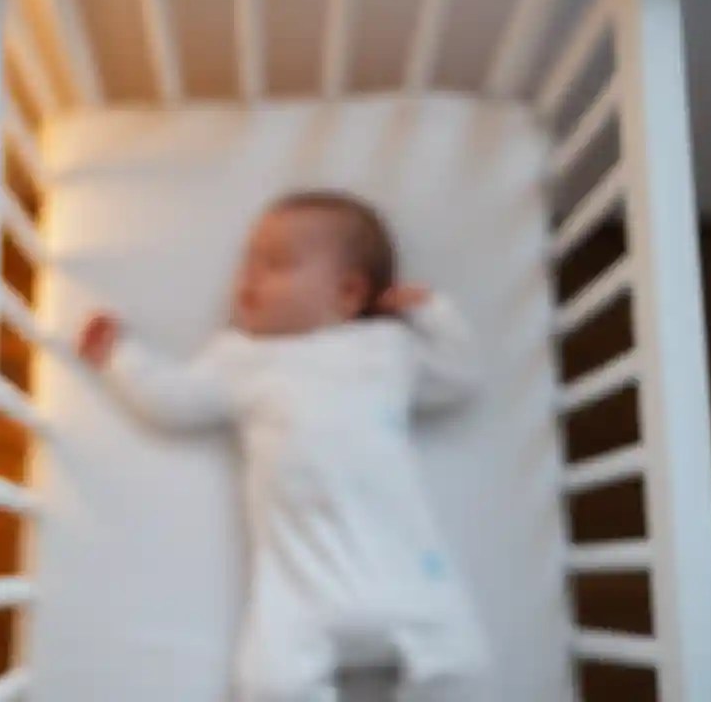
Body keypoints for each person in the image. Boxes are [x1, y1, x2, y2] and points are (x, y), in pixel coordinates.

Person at [77, 190, 488, 701]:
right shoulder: (241, 359)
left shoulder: (386, 348)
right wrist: (121, 356)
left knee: (462, 663)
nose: (248, 276)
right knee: (269, 682)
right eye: (247, 261)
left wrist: (432, 313)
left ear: (348, 292)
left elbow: (459, 379)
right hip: (299, 585)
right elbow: (173, 399)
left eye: (275, 263)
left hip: (403, 569)